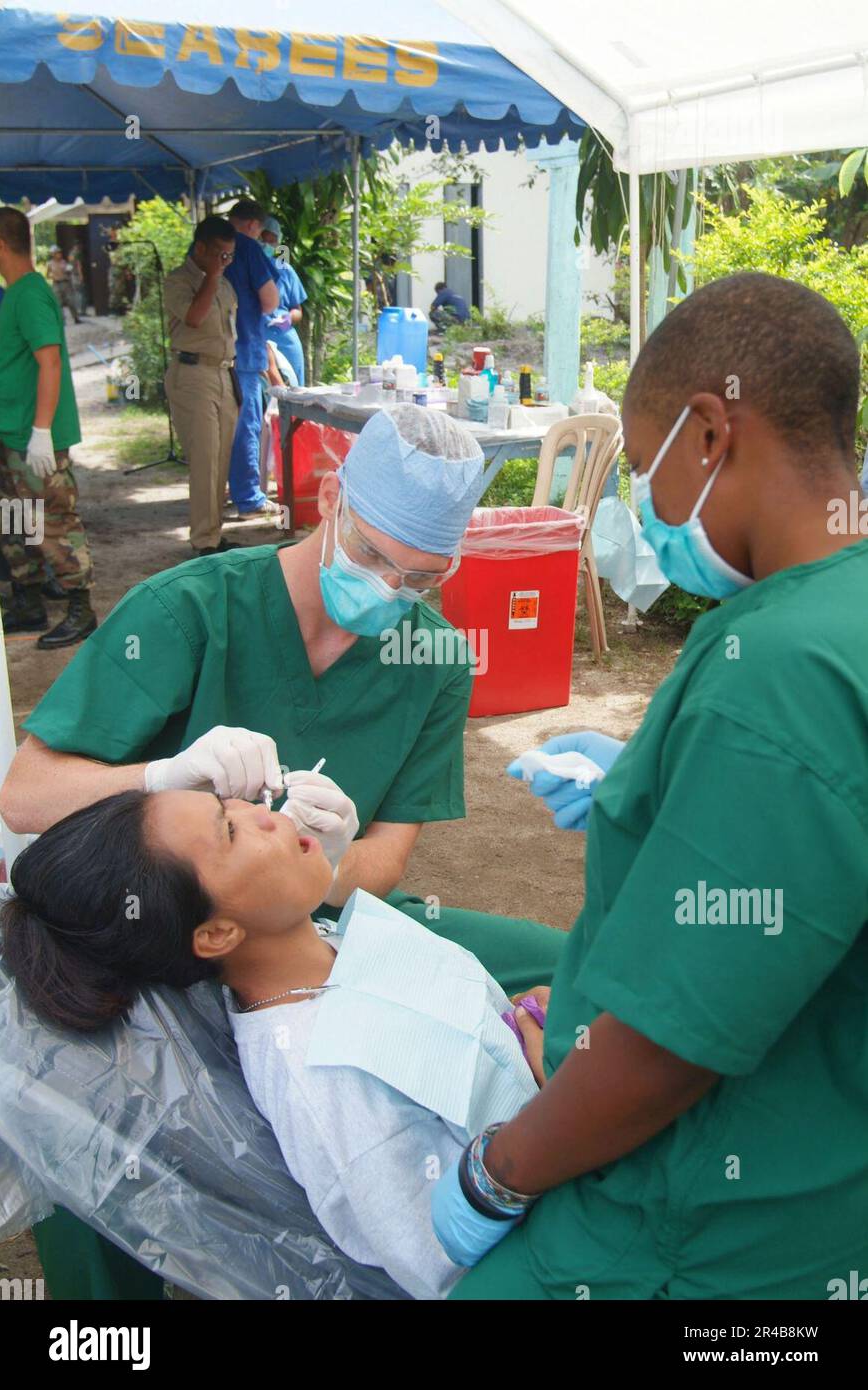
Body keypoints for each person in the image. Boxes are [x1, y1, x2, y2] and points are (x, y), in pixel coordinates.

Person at [0, 402, 566, 1298]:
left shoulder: (429, 659)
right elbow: (24, 796)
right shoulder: (190, 611)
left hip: (315, 922)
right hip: (178, 930)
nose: (386, 590)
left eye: (420, 578)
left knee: (554, 965)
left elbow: (380, 862)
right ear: (333, 498)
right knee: (75, 1099)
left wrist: (323, 861)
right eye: (375, 555)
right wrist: (162, 777)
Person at [431, 272, 868, 1301]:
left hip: (710, 1231)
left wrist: (496, 1174)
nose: (645, 510)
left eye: (642, 468)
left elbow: (668, 1048)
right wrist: (657, 788)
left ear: (709, 432)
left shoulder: (776, 672)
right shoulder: (826, 622)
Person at [1, 784, 549, 1299]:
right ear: (216, 934)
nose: (265, 813)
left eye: (230, 802)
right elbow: (451, 1270)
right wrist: (565, 1109)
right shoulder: (330, 1086)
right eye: (231, 831)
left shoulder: (331, 948)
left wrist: (521, 1027)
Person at [0, 207, 96, 649]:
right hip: (13, 432)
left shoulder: (32, 293)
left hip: (33, 437)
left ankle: (81, 606)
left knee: (54, 523)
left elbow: (50, 360)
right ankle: (29, 599)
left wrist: (42, 431)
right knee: (20, 523)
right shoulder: (16, 292)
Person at [164, 216, 241, 557]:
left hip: (223, 374)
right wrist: (212, 275)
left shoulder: (224, 283)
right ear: (200, 249)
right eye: (219, 255)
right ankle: (203, 540)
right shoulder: (180, 281)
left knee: (221, 458)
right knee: (205, 458)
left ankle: (213, 533)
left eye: (229, 256)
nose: (225, 262)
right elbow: (194, 317)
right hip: (193, 374)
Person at [223, 198, 281, 519]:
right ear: (253, 225)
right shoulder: (248, 248)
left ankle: (221, 490)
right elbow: (271, 301)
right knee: (246, 424)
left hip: (211, 353)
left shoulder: (202, 247)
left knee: (218, 429)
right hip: (244, 350)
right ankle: (248, 498)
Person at [260, 215, 307, 386]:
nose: (267, 245)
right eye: (263, 239)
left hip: (285, 340)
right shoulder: (243, 268)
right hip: (258, 340)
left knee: (294, 394)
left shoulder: (284, 269)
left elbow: (297, 310)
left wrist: (288, 318)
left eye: (272, 242)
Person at [45, 245, 80, 325]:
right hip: (56, 284)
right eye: (57, 253)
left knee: (71, 301)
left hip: (65, 283)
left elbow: (70, 271)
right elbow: (47, 275)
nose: (59, 254)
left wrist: (69, 269)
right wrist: (52, 276)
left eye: (59, 253)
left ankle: (76, 318)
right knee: (58, 303)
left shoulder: (64, 262)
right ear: (53, 254)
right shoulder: (50, 264)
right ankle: (62, 320)